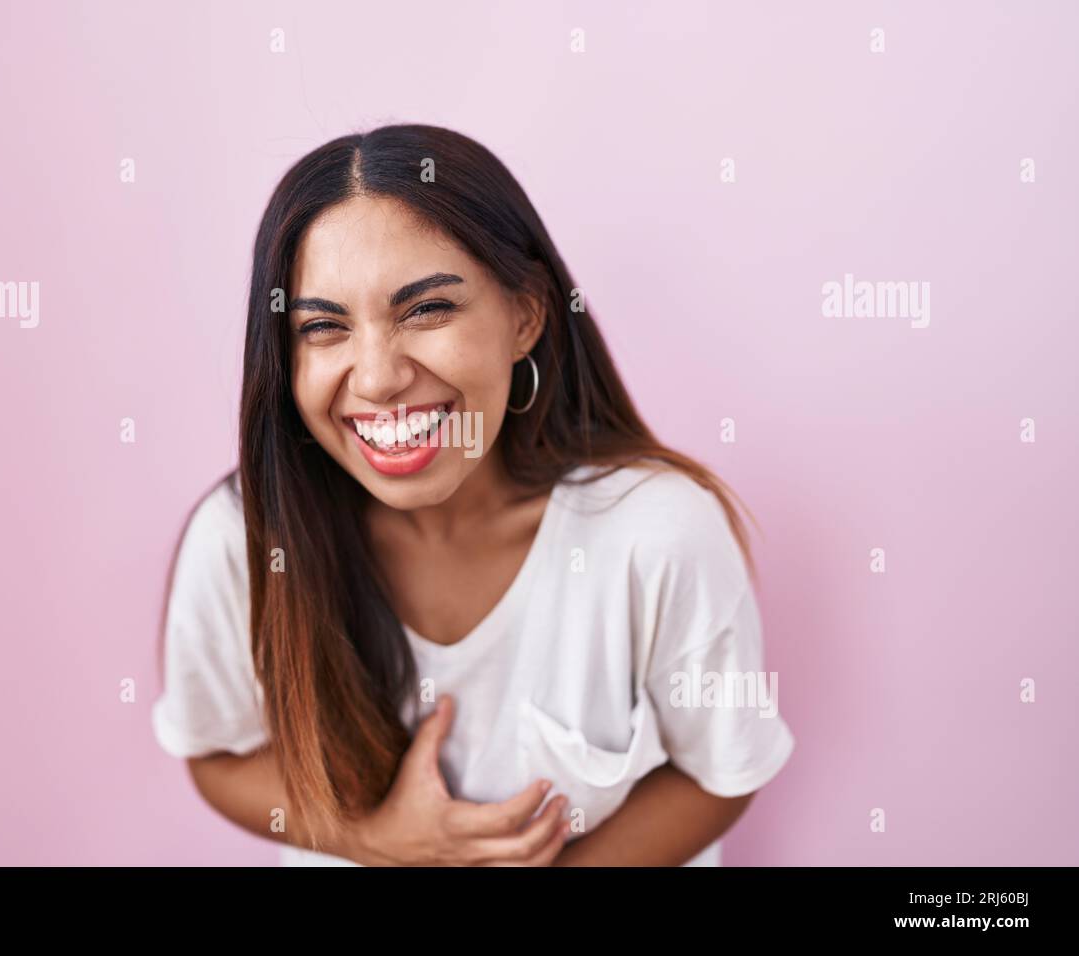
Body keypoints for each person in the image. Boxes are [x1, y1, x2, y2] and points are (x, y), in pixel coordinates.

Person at [152, 124, 794, 866]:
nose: (377, 377)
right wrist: (385, 839)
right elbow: (216, 757)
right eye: (324, 327)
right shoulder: (240, 542)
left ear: (525, 316)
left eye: (426, 310)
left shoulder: (658, 533)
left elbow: (722, 772)